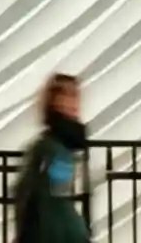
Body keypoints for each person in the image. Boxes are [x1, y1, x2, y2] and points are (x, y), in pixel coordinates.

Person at [13, 73, 90, 243]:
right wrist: (78, 233)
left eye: (75, 95)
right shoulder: (56, 150)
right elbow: (56, 200)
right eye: (68, 95)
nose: (74, 102)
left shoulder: (48, 145)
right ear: (55, 101)